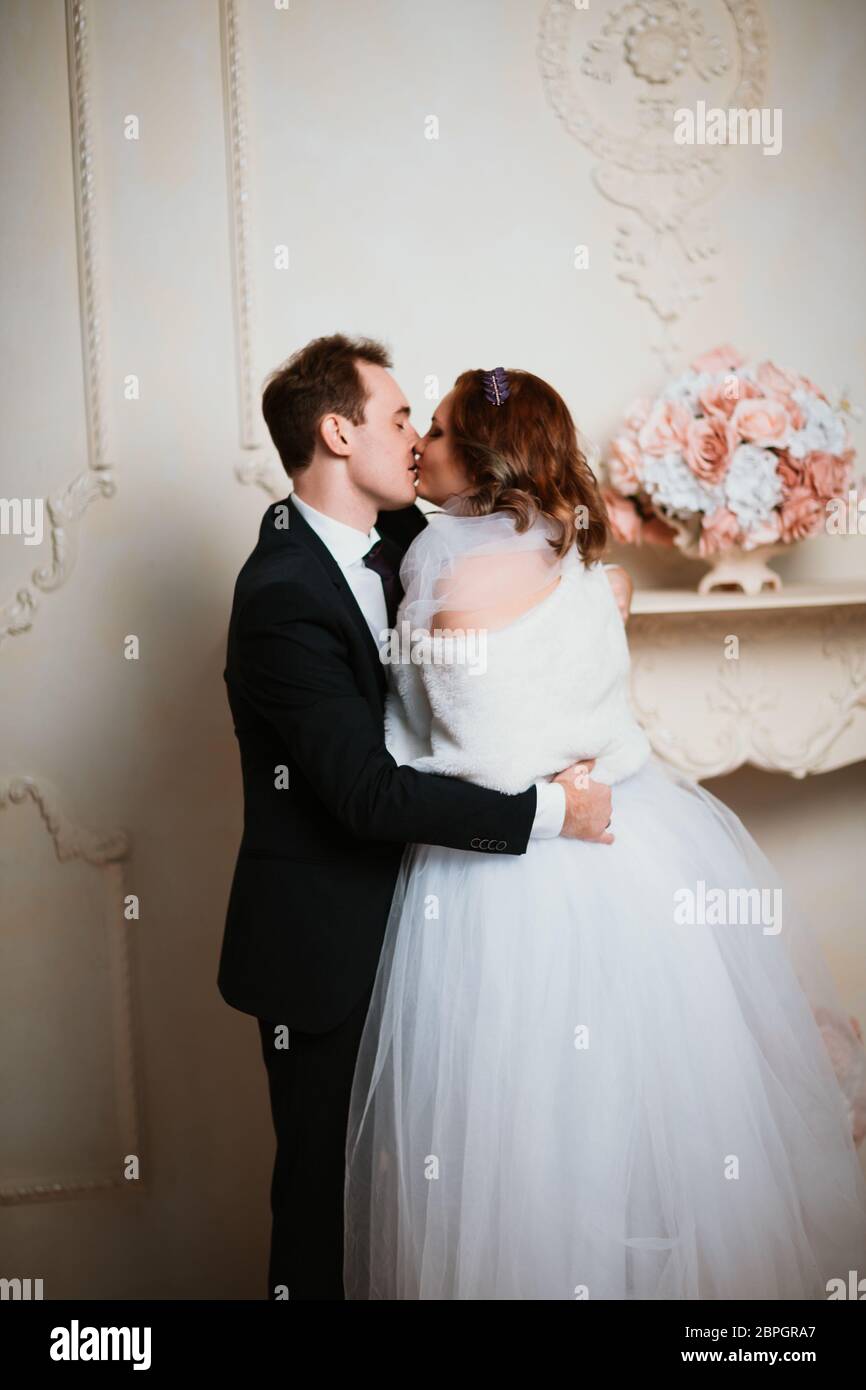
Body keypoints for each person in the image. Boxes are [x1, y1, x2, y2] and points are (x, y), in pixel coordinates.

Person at [343, 365, 866, 1300]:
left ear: (485, 460)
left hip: (511, 871)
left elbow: (473, 756)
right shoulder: (581, 561)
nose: (421, 442)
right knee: (648, 1114)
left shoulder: (446, 585)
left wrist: (413, 743)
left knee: (525, 1133)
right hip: (632, 838)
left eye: (441, 429)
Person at [217, 335, 625, 1300]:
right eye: (401, 418)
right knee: (325, 1208)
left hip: (438, 938)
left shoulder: (411, 536)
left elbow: (524, 552)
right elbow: (367, 796)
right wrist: (550, 809)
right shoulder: (280, 596)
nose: (416, 439)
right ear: (337, 432)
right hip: (326, 951)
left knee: (444, 1203)